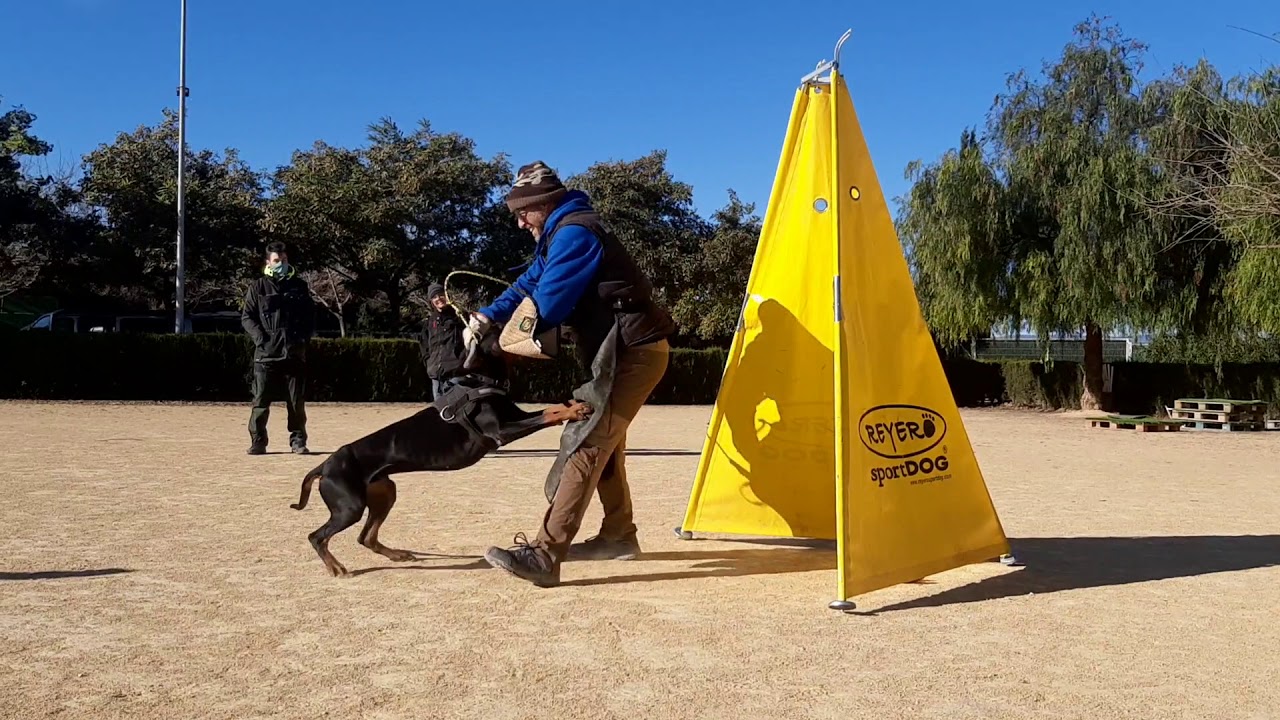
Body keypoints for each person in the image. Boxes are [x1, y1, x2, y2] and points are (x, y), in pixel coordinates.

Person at [473, 160, 675, 587]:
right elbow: (531, 281)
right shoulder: (559, 233)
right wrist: (487, 316)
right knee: (606, 441)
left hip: (630, 352)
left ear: (543, 204)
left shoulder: (575, 232)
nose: (519, 222)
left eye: (522, 212)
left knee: (585, 438)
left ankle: (546, 555)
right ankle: (619, 537)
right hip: (626, 350)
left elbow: (549, 304)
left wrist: (498, 345)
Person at [241, 240, 316, 455]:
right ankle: (258, 441)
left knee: (296, 402)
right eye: (276, 260)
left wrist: (303, 339)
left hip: (294, 354)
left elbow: (309, 317)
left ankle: (298, 440)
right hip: (266, 356)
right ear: (268, 262)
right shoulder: (258, 287)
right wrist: (261, 339)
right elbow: (247, 317)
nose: (280, 263)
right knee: (261, 401)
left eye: (283, 260)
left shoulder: (299, 286)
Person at [418, 282, 467, 399]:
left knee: (456, 409)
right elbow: (424, 345)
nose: (438, 299)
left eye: (441, 295)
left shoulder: (460, 317)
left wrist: (462, 360)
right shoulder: (430, 322)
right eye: (434, 297)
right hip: (436, 374)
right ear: (431, 301)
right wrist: (429, 362)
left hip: (456, 373)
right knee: (439, 412)